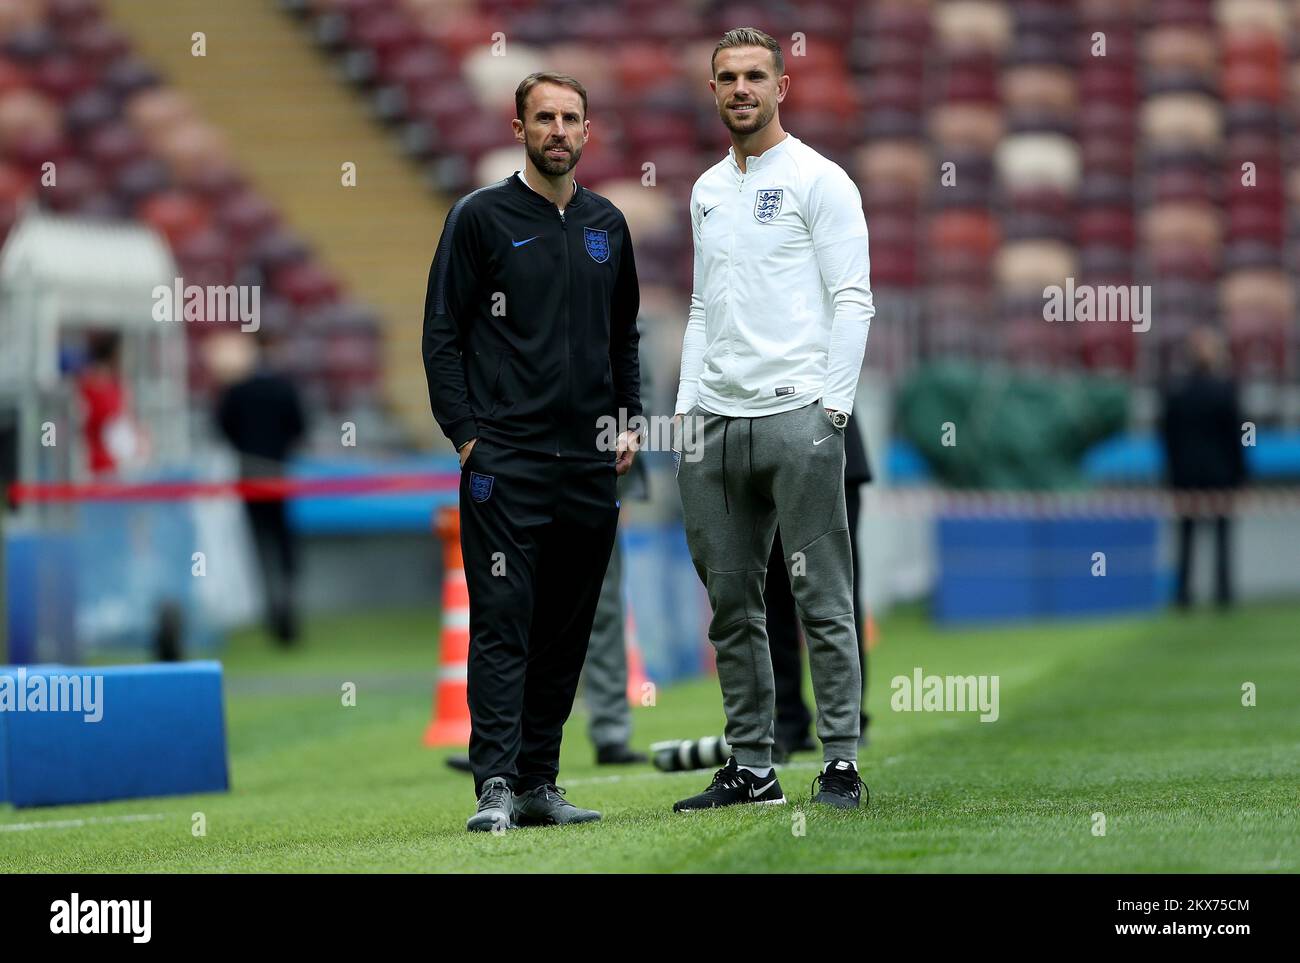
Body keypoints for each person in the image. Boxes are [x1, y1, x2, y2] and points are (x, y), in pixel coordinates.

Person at [422, 72, 642, 832]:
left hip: (587, 463)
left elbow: (624, 337)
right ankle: (494, 784)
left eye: (570, 118)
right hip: (504, 462)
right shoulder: (480, 217)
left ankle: (540, 782)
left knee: (566, 627)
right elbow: (442, 332)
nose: (558, 129)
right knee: (503, 617)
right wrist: (466, 435)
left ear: (588, 130)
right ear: (518, 127)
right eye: (543, 117)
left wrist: (629, 420)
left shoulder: (607, 224)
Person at [672, 28, 874, 812]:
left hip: (799, 416)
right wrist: (686, 410)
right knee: (732, 605)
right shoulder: (705, 190)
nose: (741, 88)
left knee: (822, 597)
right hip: (715, 424)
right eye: (727, 77)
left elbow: (854, 297)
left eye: (756, 74)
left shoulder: (822, 180)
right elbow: (698, 307)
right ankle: (751, 765)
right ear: (713, 89)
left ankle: (842, 762)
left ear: (782, 86)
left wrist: (833, 409)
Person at [770, 423, 872, 759]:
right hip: (770, 456)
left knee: (835, 592)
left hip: (833, 456)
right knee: (774, 591)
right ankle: (788, 719)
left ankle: (847, 716)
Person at [215, 331, 307, 646]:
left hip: (249, 475)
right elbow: (299, 427)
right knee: (282, 543)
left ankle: (272, 609)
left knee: (259, 544)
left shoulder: (237, 391)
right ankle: (286, 607)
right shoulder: (284, 389)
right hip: (278, 474)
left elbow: (222, 428)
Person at [1160, 326, 1247, 609]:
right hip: (1220, 474)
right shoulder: (1225, 391)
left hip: (1186, 474)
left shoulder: (1175, 392)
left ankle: (1183, 594)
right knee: (1222, 535)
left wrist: (1172, 474)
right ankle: (1223, 593)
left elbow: (1167, 438)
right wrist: (1240, 474)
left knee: (1186, 536)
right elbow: (1236, 438)